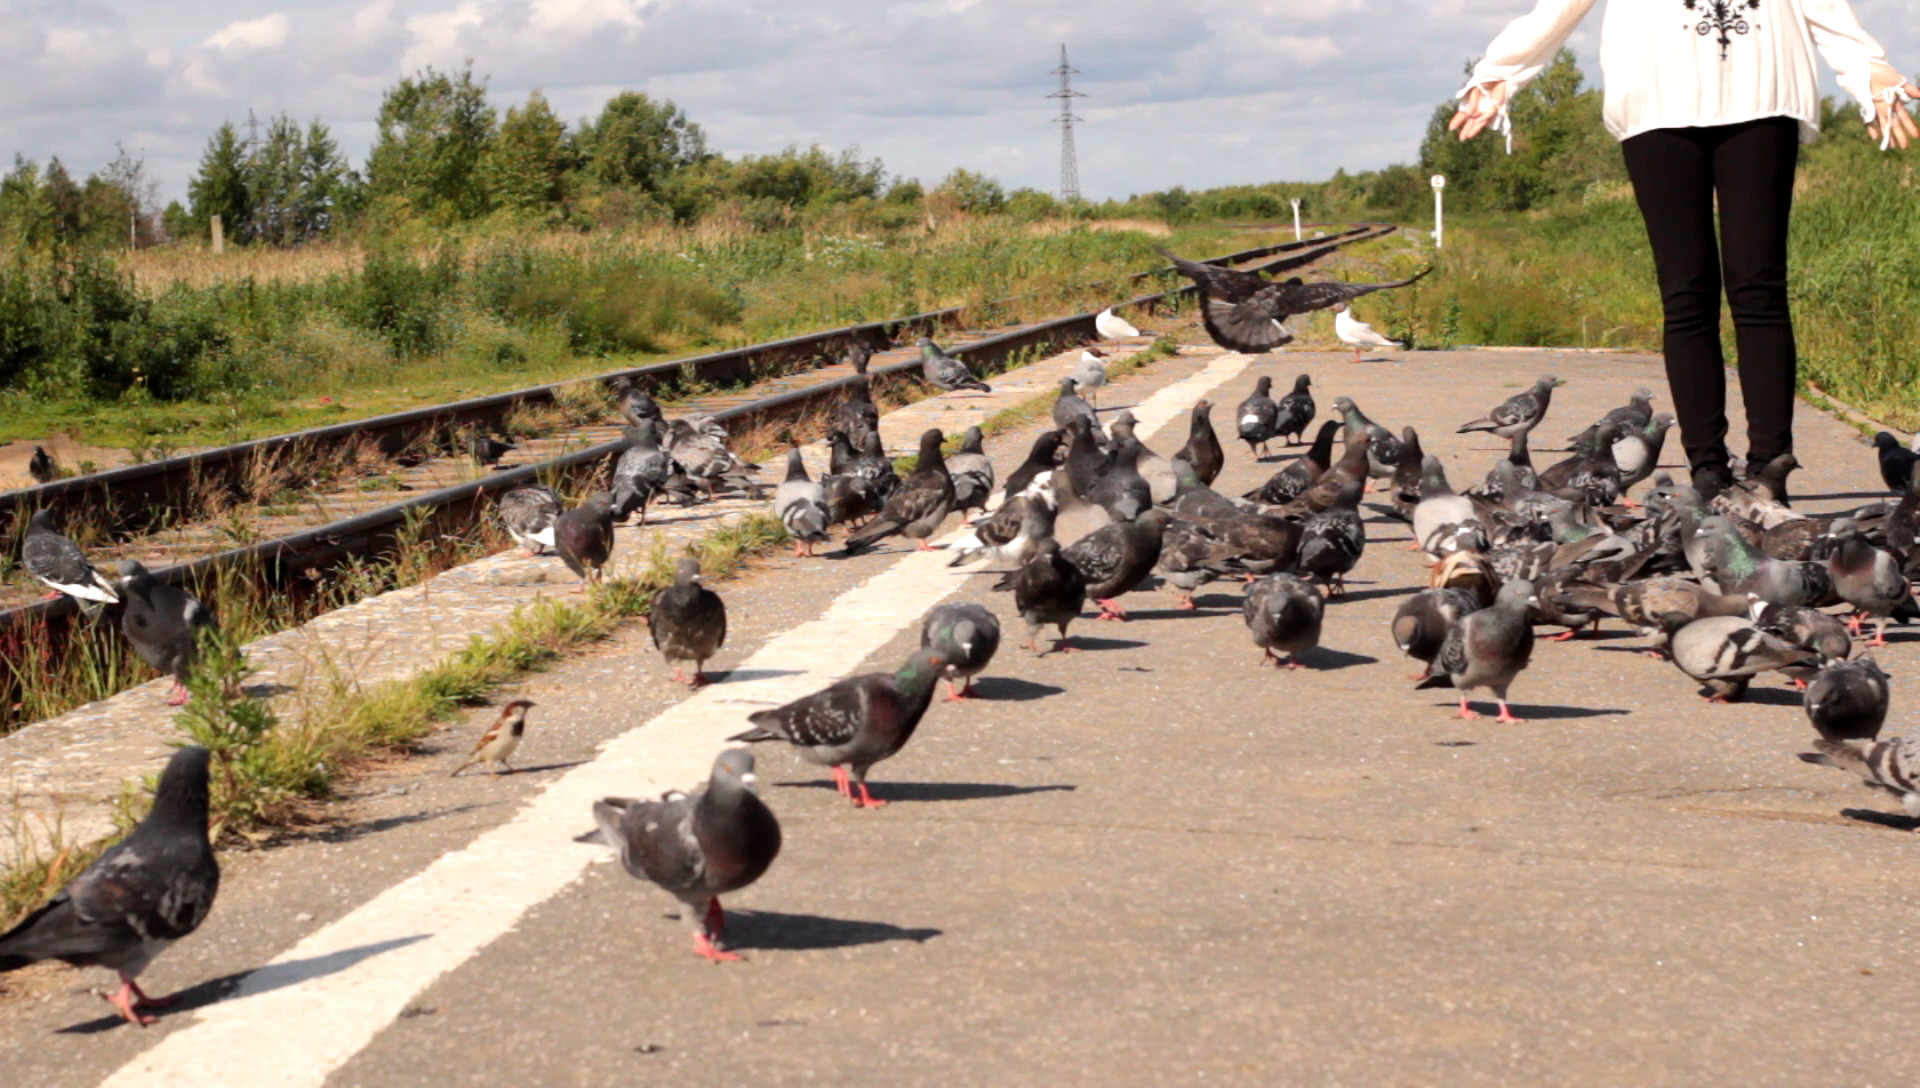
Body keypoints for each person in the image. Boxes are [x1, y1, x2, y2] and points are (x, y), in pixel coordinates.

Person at [1450, 0, 1917, 500]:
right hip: (1656, 100)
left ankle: (1769, 470)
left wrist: (1866, 66)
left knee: (1758, 290)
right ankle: (1708, 471)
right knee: (1686, 294)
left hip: (1762, 93)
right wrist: (1501, 71)